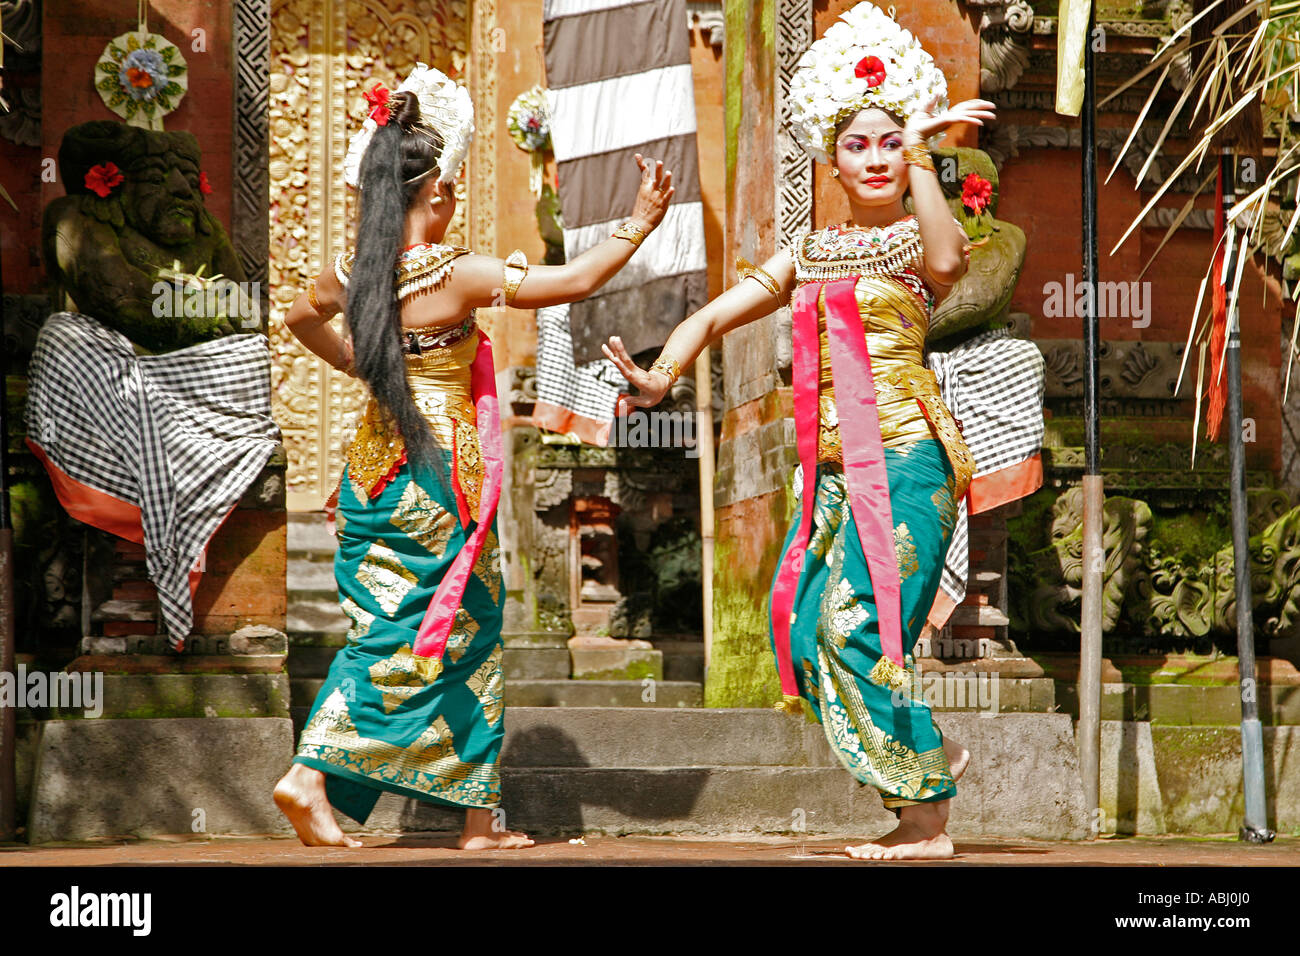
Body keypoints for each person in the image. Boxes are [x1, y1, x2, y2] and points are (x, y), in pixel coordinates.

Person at [602, 4, 991, 860]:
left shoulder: (911, 243)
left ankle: (924, 818)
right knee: (801, 630)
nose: (879, 157)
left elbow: (950, 261)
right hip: (834, 479)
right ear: (832, 155)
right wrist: (662, 372)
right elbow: (713, 315)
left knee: (854, 629)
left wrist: (929, 152)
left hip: (905, 459)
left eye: (893, 141)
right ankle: (932, 755)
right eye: (861, 144)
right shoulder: (812, 248)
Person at [273, 64, 674, 848]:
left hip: (371, 473)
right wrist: (641, 221)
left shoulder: (354, 274)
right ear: (439, 194)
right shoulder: (455, 274)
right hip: (437, 477)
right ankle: (311, 772)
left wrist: (368, 363)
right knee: (408, 634)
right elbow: (579, 278)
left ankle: (474, 822)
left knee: (462, 624)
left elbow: (297, 317)